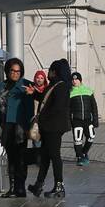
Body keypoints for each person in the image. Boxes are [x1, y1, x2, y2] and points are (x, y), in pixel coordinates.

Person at [28, 58, 72, 198]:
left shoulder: (61, 86)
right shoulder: (55, 85)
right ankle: (38, 185)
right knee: (46, 156)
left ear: (55, 72)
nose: (48, 73)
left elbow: (56, 107)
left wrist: (42, 118)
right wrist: (33, 94)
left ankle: (59, 186)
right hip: (50, 127)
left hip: (53, 127)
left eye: (50, 70)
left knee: (54, 156)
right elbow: (44, 99)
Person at [0, 57, 33, 198]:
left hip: (20, 125)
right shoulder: (0, 87)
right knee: (10, 157)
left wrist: (29, 126)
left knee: (21, 157)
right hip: (6, 125)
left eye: (18, 71)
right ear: (7, 71)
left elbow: (30, 107)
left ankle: (20, 188)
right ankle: (12, 187)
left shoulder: (25, 85)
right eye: (12, 71)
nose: (15, 73)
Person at [69, 72, 99, 166]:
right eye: (73, 79)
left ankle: (84, 152)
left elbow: (94, 107)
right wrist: (69, 122)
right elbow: (68, 109)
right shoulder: (70, 92)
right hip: (76, 119)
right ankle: (79, 157)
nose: (74, 81)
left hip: (87, 119)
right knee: (78, 139)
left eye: (76, 79)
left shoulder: (88, 91)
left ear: (80, 80)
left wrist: (95, 119)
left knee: (91, 136)